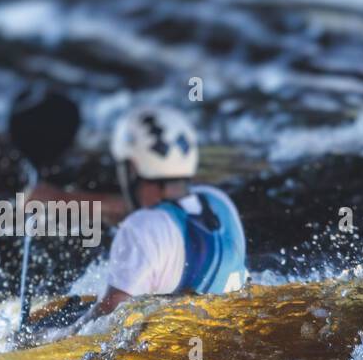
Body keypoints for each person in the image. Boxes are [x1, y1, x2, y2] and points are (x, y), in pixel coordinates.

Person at [31, 105, 247, 331]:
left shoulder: (141, 227)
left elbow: (107, 321)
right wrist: (60, 199)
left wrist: (45, 342)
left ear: (132, 169)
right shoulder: (219, 202)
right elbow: (155, 217)